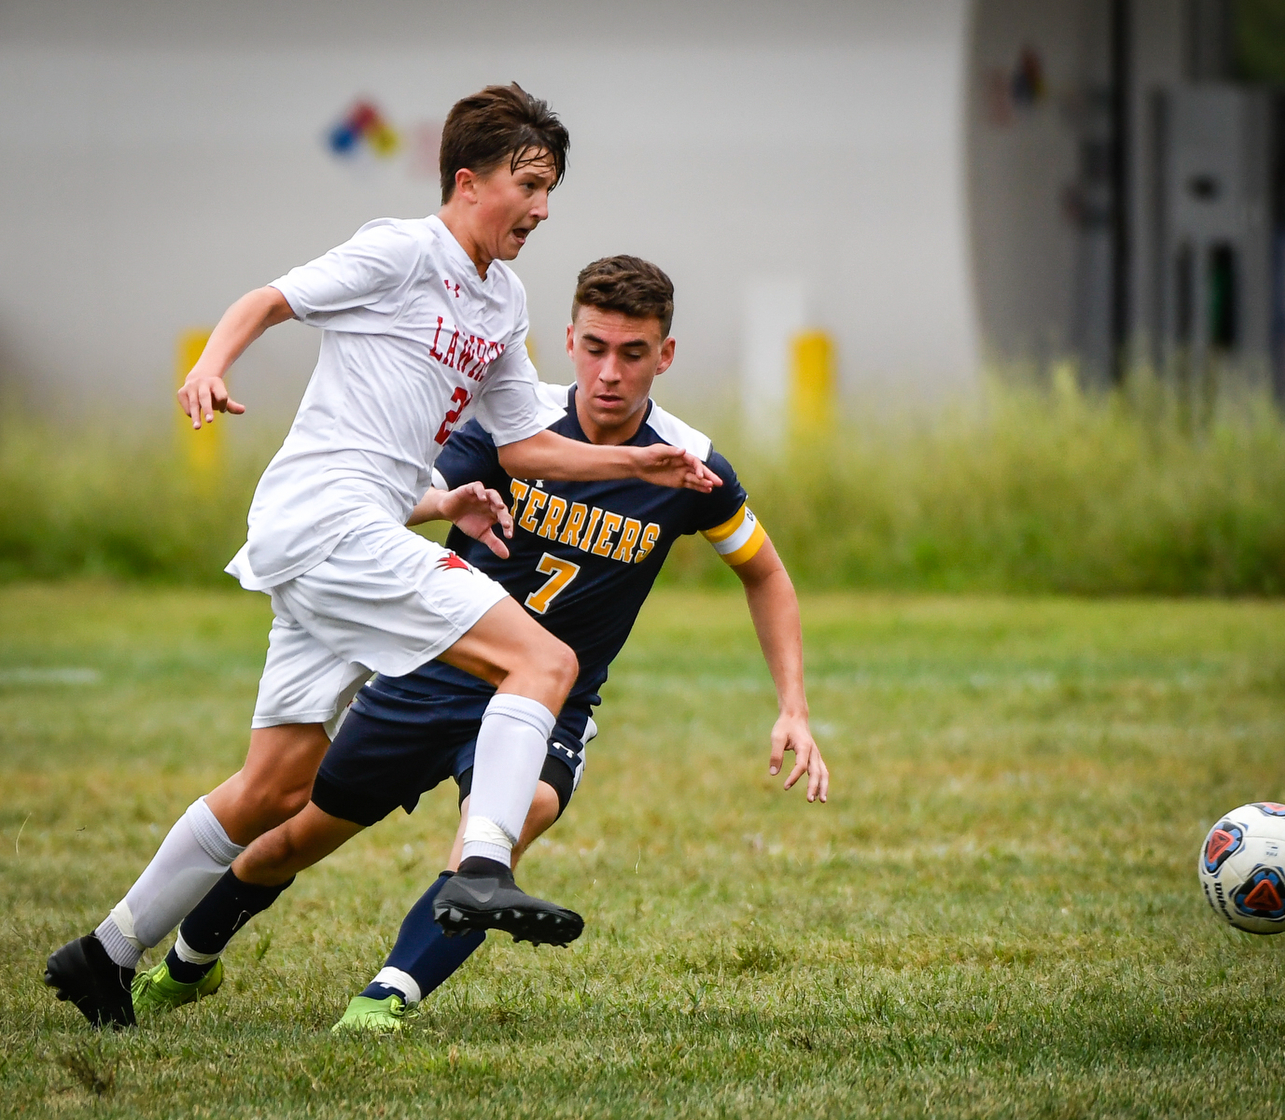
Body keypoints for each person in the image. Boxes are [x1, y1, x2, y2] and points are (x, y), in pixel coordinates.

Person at [45, 88, 721, 1031]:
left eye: (551, 189)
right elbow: (271, 299)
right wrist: (212, 361)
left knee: (276, 785)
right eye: (528, 185)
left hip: (354, 529)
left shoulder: (505, 297)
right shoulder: (404, 250)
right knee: (546, 662)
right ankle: (484, 865)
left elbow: (524, 443)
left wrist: (630, 460)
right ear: (467, 179)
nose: (542, 208)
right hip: (329, 522)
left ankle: (104, 954)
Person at [126, 255, 829, 1033]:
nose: (610, 372)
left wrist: (793, 707)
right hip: (434, 674)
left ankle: (385, 998)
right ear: (568, 340)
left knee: (504, 829)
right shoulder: (513, 427)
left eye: (633, 354)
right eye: (595, 347)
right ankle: (188, 963)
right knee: (296, 834)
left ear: (665, 356)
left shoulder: (687, 467)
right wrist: (439, 505)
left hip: (551, 702)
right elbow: (410, 495)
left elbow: (765, 574)